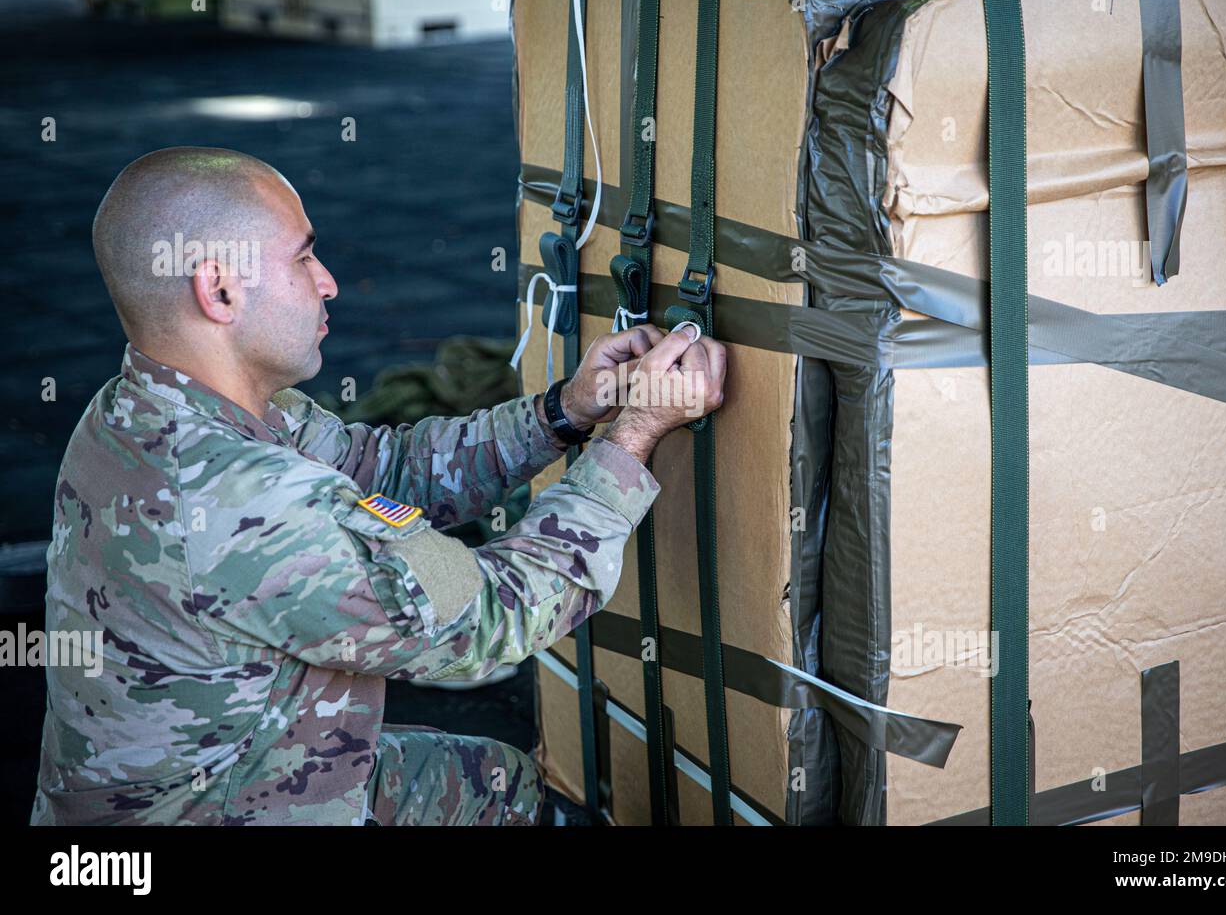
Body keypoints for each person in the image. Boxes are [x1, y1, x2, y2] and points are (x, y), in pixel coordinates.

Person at [31, 146, 726, 825]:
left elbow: (385, 473)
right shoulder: (247, 502)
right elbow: (493, 616)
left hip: (210, 776)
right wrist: (634, 437)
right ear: (219, 290)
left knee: (495, 782)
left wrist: (565, 412)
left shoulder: (148, 409)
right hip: (218, 810)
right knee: (505, 795)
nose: (327, 280)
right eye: (303, 257)